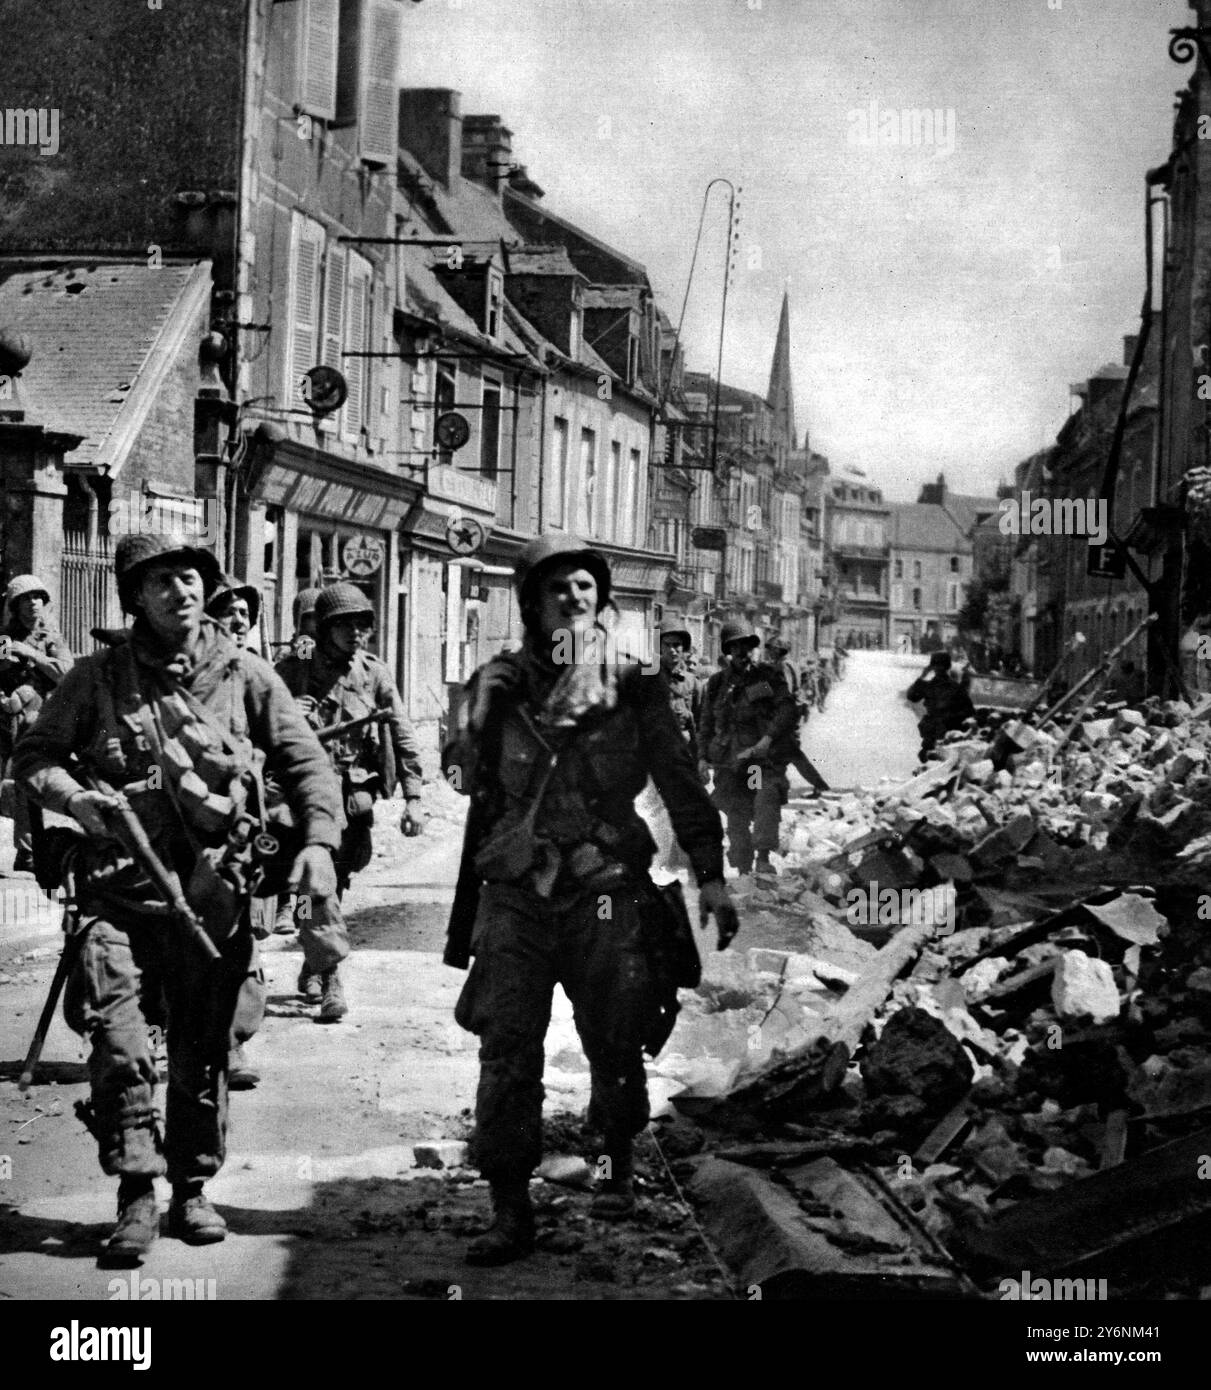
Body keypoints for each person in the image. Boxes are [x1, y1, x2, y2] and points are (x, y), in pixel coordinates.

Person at [12, 533, 342, 1266]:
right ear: (135, 598)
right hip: (118, 894)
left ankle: (192, 1186)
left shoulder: (247, 676)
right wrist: (78, 801)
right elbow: (33, 756)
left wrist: (317, 842)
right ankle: (135, 1189)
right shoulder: (99, 678)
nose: (181, 591)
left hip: (212, 898)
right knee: (119, 1044)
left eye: (191, 578)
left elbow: (305, 761)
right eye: (161, 581)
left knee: (201, 1050)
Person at [443, 534, 738, 1266]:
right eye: (557, 591)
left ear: (601, 600)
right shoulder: (500, 683)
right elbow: (466, 781)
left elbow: (678, 781)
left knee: (614, 1035)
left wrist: (711, 874)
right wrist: (477, 713)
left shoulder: (633, 688)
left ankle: (614, 1163)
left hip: (604, 891)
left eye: (583, 588)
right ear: (532, 607)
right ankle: (509, 1207)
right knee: (507, 1046)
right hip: (517, 894)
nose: (572, 600)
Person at [276, 581, 426, 1021]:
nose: (358, 634)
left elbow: (401, 732)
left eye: (364, 625)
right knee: (312, 883)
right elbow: (260, 720)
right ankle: (331, 978)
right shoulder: (295, 668)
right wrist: (292, 714)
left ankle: (314, 961)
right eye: (347, 626)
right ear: (324, 628)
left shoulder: (373, 673)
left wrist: (413, 796)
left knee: (336, 881)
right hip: (304, 792)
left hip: (353, 791)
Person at [204, 577, 269, 1089]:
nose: (239, 618)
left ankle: (234, 1041)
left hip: (241, 831)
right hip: (180, 828)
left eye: (246, 611)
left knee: (239, 938)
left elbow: (292, 747)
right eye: (228, 609)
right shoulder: (180, 673)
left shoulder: (258, 674)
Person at [699, 620, 798, 878]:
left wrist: (767, 739)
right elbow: (706, 723)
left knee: (765, 800)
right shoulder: (717, 683)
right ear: (728, 651)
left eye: (747, 646)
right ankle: (743, 869)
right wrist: (701, 758)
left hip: (759, 761)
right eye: (736, 647)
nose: (743, 652)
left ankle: (763, 860)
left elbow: (787, 709)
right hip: (730, 761)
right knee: (736, 814)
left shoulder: (767, 676)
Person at [0, 575, 73, 874]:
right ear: (15, 606)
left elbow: (65, 674)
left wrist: (31, 653)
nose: (33, 604)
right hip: (6, 719)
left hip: (39, 720)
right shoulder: (5, 638)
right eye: (26, 599)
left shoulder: (51, 639)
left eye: (38, 598)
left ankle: (28, 851)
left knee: (29, 785)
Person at [764, 636, 828, 794]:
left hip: (785, 713)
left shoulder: (783, 665)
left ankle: (820, 785)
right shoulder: (790, 663)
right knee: (781, 755)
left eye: (771, 648)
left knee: (791, 754)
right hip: (790, 713)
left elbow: (786, 690)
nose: (769, 652)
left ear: (779, 650)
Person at [906, 651, 976, 760]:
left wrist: (923, 676)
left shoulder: (938, 686)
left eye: (939, 666)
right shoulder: (952, 687)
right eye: (937, 666)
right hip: (938, 735)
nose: (939, 669)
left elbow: (911, 696)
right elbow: (912, 696)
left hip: (945, 735)